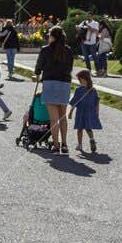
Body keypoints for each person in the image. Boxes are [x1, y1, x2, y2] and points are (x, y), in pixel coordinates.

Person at [34, 25, 74, 153]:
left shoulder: (45, 50)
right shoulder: (68, 50)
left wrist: (38, 74)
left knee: (53, 119)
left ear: (52, 37)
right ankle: (65, 144)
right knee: (63, 116)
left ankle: (56, 145)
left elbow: (39, 66)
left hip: (50, 83)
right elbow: (69, 68)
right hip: (64, 84)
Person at [68, 69, 102, 155]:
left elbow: (74, 102)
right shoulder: (93, 90)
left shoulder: (79, 90)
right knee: (88, 127)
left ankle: (80, 145)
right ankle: (91, 139)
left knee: (80, 129)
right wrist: (97, 112)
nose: (79, 81)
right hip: (90, 112)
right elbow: (96, 102)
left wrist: (70, 112)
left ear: (83, 79)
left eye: (79, 79)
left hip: (81, 112)